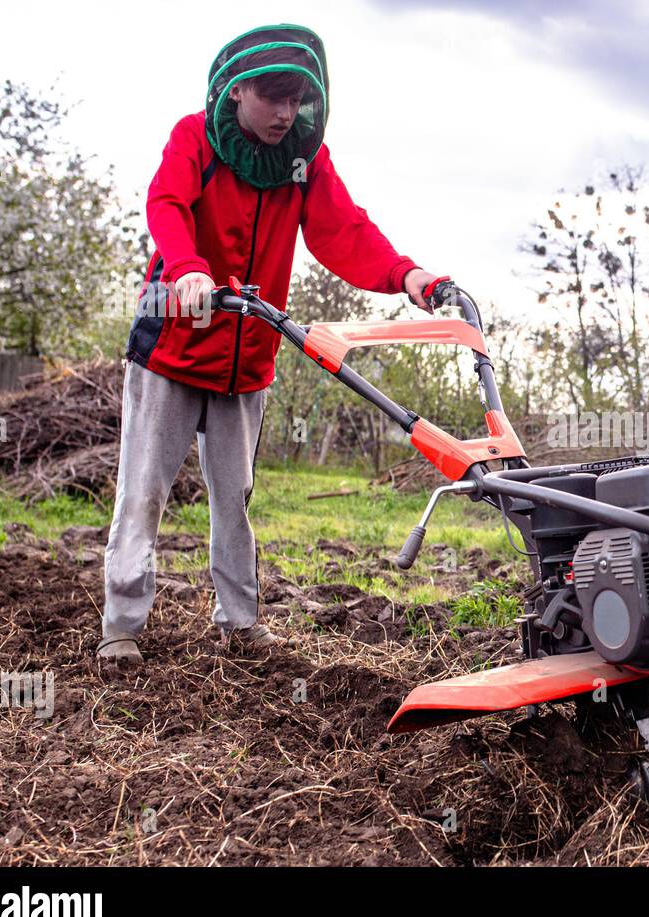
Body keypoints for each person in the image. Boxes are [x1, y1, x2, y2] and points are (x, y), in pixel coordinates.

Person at [99, 24, 439, 669]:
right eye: (271, 97)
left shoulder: (305, 160)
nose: (286, 113)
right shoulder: (194, 137)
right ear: (236, 93)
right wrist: (189, 268)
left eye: (296, 99)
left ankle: (239, 621)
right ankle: (121, 628)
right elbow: (167, 202)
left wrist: (405, 274)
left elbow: (344, 231)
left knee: (237, 497)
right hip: (172, 346)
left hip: (247, 358)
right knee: (143, 492)